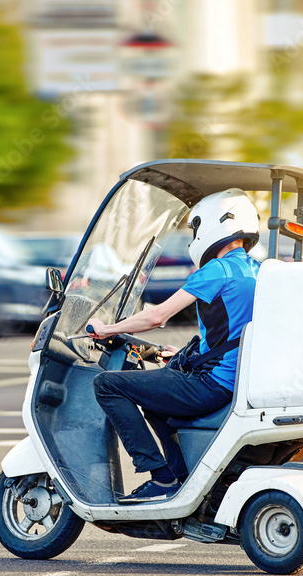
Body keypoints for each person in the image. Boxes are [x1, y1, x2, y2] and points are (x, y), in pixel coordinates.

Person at [88, 188, 261, 502]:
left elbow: (157, 315)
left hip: (213, 385)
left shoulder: (217, 270)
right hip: (239, 379)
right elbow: (232, 330)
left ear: (211, 225)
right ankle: (183, 478)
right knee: (158, 406)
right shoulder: (258, 270)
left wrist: (105, 328)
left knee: (108, 384)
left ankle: (162, 476)